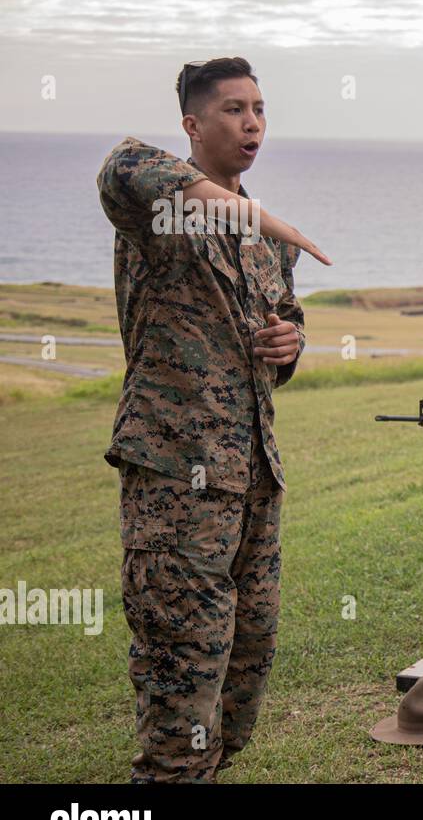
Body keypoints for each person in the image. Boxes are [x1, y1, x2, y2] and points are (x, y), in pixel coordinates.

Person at [96, 57, 331, 781]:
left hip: (253, 475)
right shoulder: (160, 210)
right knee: (182, 661)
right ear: (193, 126)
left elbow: (281, 334)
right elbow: (121, 165)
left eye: (259, 108)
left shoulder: (270, 245)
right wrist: (260, 213)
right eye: (233, 109)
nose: (252, 122)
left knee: (245, 661)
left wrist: (289, 343)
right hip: (176, 476)